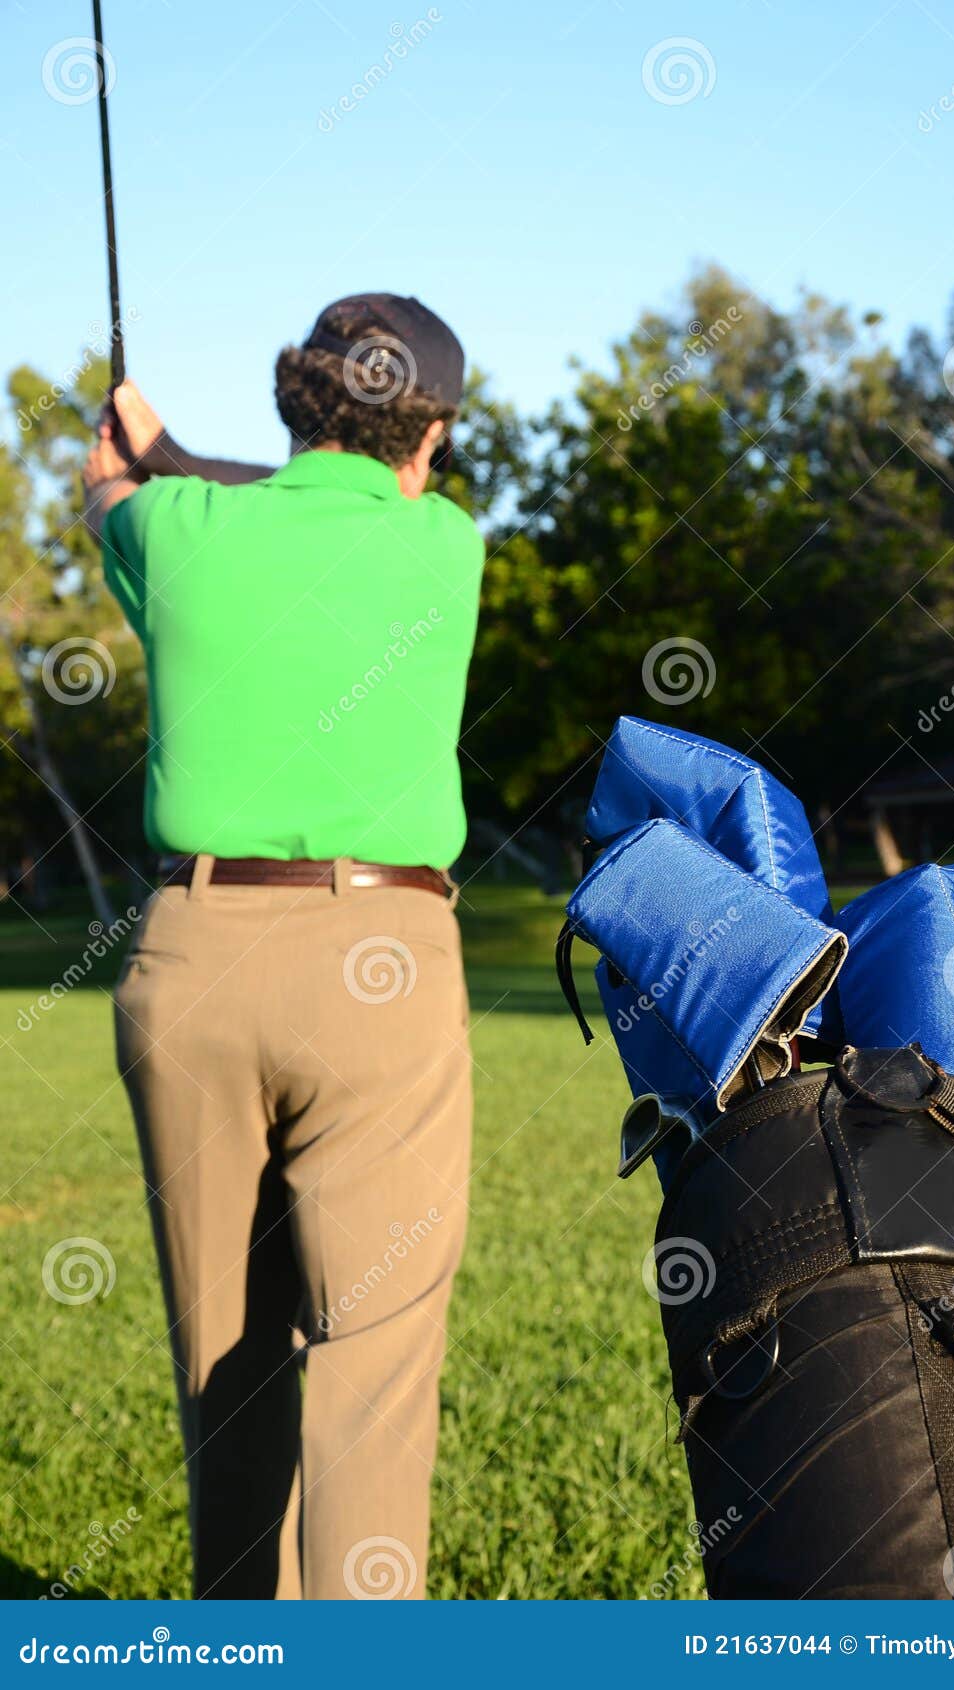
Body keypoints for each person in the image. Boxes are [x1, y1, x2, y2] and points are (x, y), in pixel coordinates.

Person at [82, 295, 484, 1600]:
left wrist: (149, 454)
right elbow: (332, 504)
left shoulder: (178, 528)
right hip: (384, 959)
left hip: (191, 960)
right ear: (424, 436)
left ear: (297, 402)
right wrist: (179, 452)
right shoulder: (448, 546)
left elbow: (113, 492)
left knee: (227, 1366)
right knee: (366, 1376)